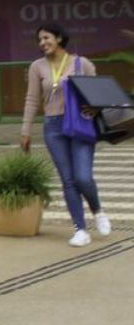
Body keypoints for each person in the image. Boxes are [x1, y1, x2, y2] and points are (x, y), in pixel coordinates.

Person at [20, 22, 109, 248]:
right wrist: (26, 130)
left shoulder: (82, 64)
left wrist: (97, 107)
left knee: (82, 177)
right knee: (68, 180)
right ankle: (80, 229)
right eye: (40, 40)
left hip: (79, 124)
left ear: (59, 38)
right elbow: (32, 99)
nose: (43, 43)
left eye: (46, 38)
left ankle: (97, 210)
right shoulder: (37, 67)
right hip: (53, 127)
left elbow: (97, 93)